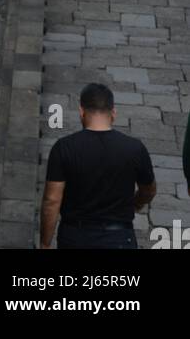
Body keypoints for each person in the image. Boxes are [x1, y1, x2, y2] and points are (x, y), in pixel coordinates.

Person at [40, 83, 156, 250]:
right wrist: (135, 203)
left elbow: (52, 201)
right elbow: (149, 190)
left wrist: (45, 243)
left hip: (75, 237)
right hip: (119, 239)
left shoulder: (63, 148)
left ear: (81, 112)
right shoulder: (134, 149)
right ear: (113, 113)